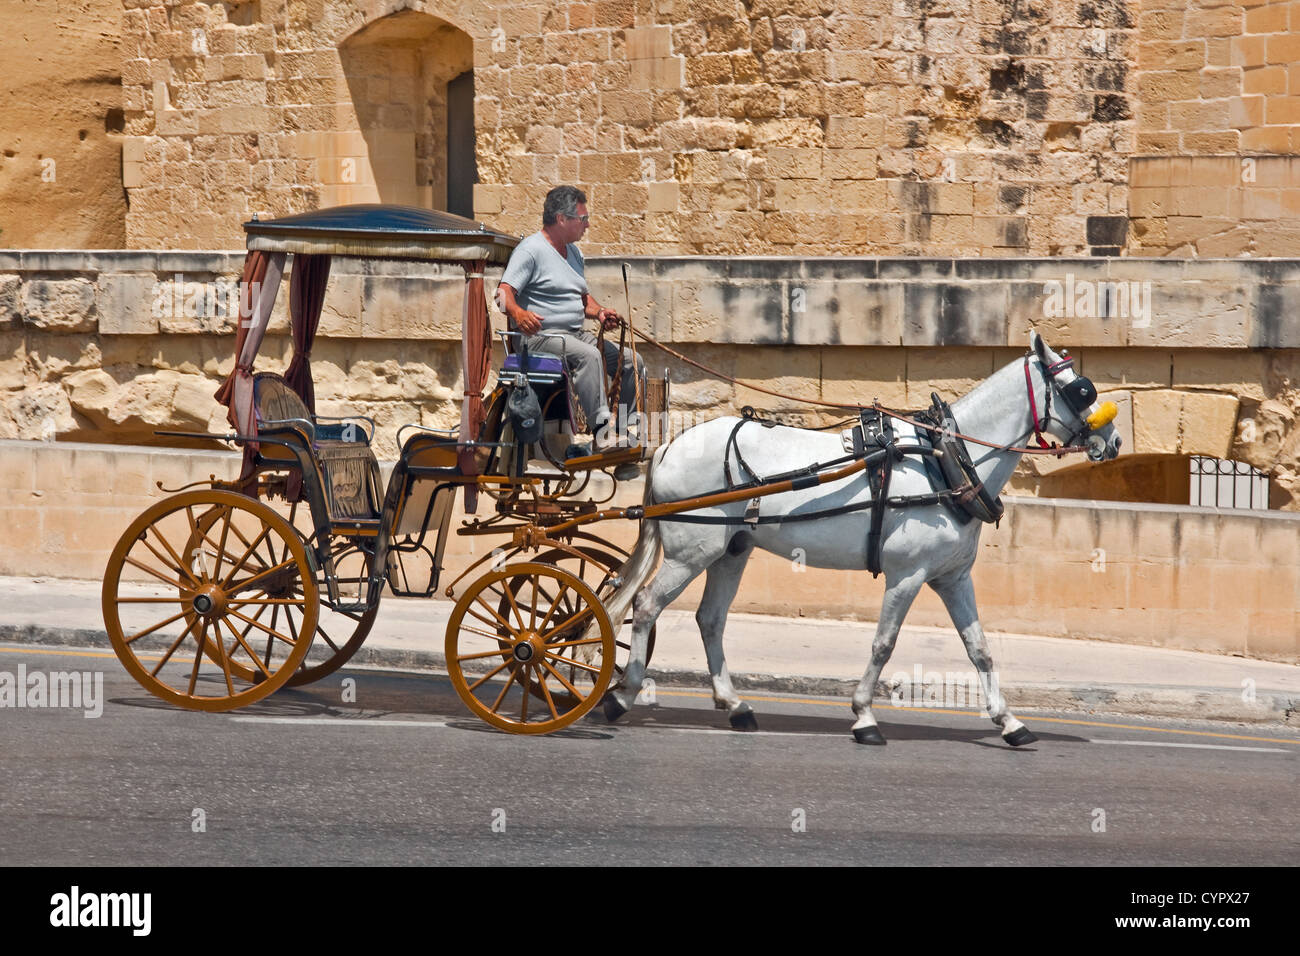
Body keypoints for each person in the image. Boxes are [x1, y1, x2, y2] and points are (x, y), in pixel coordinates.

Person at [496, 185, 645, 474]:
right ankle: (602, 432)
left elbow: (581, 298)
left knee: (632, 362)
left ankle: (627, 437)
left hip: (574, 335)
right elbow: (502, 294)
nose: (588, 225)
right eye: (584, 218)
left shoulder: (574, 253)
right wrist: (518, 312)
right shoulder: (530, 251)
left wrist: (600, 312)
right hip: (540, 338)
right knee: (589, 355)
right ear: (562, 219)